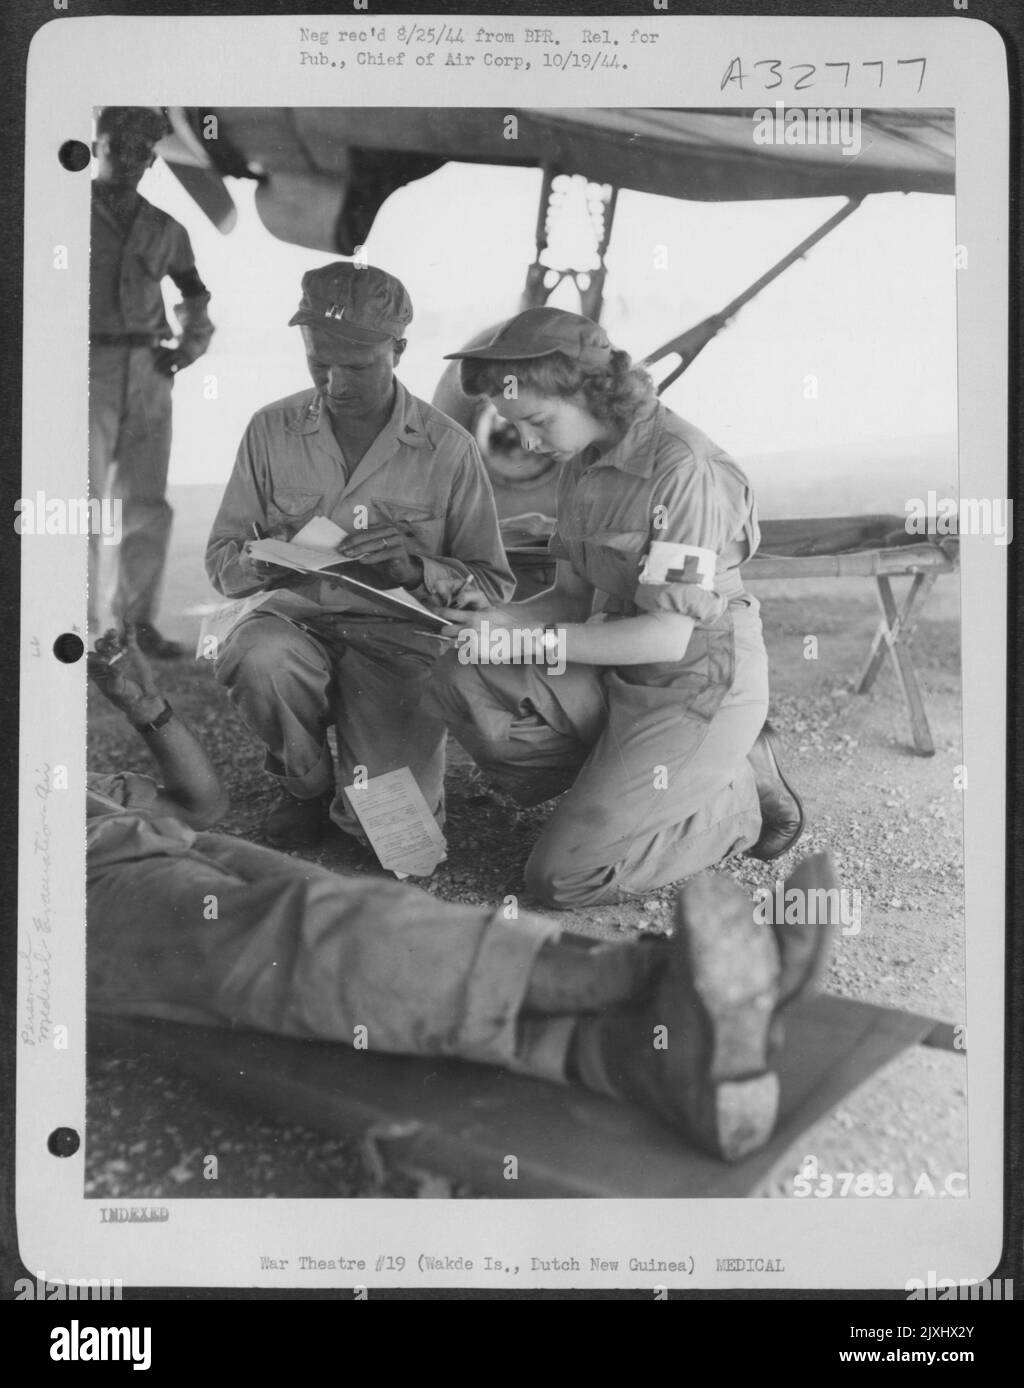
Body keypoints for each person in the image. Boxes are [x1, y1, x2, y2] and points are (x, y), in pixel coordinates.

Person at [87, 628, 836, 1164]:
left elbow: (198, 805)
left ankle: (641, 1051)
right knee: (297, 935)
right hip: (77, 893)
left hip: (160, 844)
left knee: (345, 906)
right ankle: (653, 982)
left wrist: (145, 707)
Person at [424, 307, 804, 911]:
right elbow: (570, 597)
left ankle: (737, 801)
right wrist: (499, 620)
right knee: (457, 668)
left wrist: (528, 642)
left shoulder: (688, 470)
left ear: (587, 389)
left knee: (561, 880)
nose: (526, 442)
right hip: (613, 661)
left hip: (695, 681)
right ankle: (640, 786)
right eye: (517, 425)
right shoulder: (581, 466)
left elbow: (665, 638)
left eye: (537, 420)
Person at [205, 262, 515, 850]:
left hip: (397, 649)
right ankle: (305, 784)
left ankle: (363, 778)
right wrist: (261, 563)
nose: (334, 383)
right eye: (317, 362)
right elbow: (221, 562)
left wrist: (416, 571)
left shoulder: (449, 447)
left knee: (402, 848)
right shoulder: (269, 430)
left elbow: (492, 585)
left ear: (398, 349)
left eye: (356, 366)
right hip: (294, 623)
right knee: (260, 654)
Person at [89, 107, 215, 657]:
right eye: (122, 143)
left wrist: (187, 349)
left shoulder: (167, 230)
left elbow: (194, 296)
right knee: (79, 502)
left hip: (146, 370)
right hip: (83, 370)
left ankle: (135, 624)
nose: (133, 156)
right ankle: (82, 626)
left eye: (144, 146)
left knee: (145, 502)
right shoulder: (61, 213)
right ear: (98, 144)